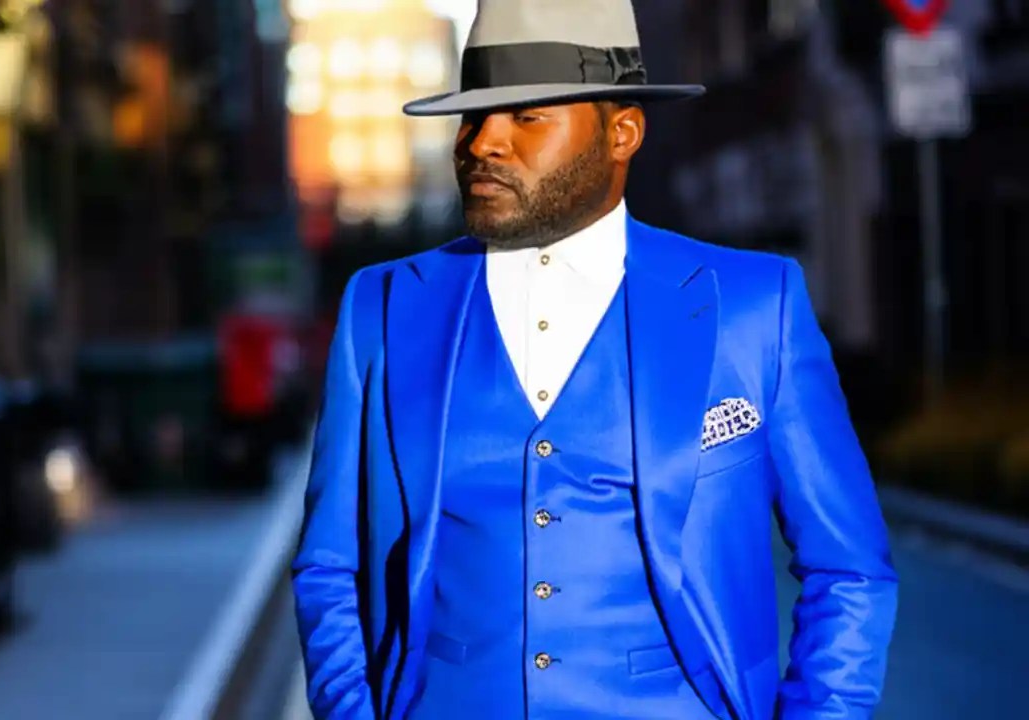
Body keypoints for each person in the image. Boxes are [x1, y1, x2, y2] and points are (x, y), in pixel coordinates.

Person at [291, 1, 898, 718]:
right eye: (473, 116)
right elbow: (329, 565)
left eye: (526, 116)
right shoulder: (384, 307)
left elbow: (848, 569)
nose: (483, 142)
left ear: (622, 133)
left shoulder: (753, 306)